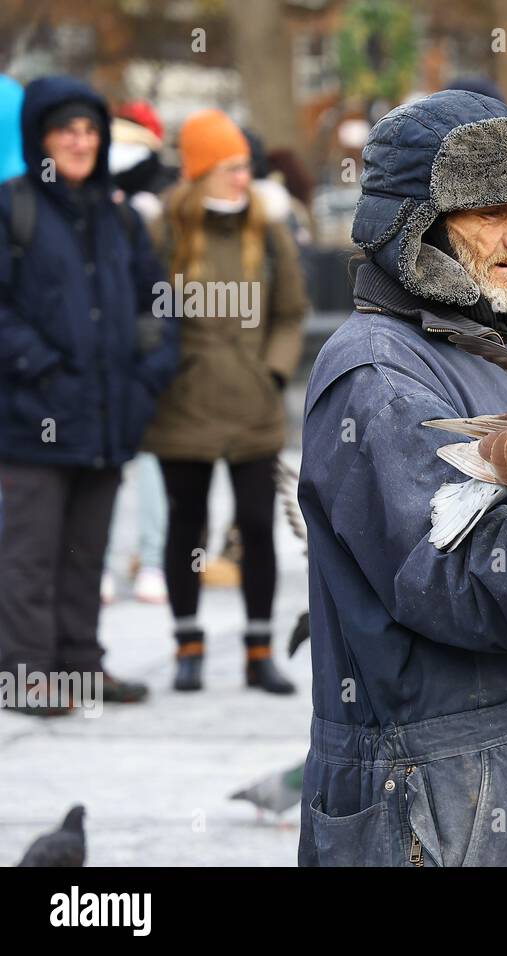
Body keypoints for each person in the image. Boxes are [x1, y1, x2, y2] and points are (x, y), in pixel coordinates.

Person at [297, 90, 507, 867]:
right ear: (418, 224)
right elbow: (463, 584)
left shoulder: (503, 346)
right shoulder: (377, 375)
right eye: (488, 213)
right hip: (443, 796)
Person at [0, 76, 177, 714]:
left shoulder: (120, 218)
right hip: (31, 420)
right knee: (29, 558)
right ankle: (25, 675)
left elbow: (157, 303)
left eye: (88, 131)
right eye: (65, 131)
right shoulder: (11, 207)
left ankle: (80, 668)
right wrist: (40, 367)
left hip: (105, 418)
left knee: (84, 555)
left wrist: (149, 371)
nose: (79, 142)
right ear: (40, 140)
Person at [141, 109, 307, 695]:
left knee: (257, 527)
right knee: (185, 525)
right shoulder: (165, 229)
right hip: (180, 406)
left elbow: (290, 312)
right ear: (201, 170)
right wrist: (160, 363)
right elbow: (144, 306)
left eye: (246, 166)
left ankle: (259, 651)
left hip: (252, 406)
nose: (244, 177)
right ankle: (187, 644)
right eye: (231, 167)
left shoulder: (267, 228)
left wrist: (274, 371)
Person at [102, 101, 177, 606]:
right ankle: (135, 563)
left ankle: (142, 561)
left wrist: (153, 364)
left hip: (134, 357)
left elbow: (156, 294)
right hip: (110, 358)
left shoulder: (144, 216)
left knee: (141, 464)